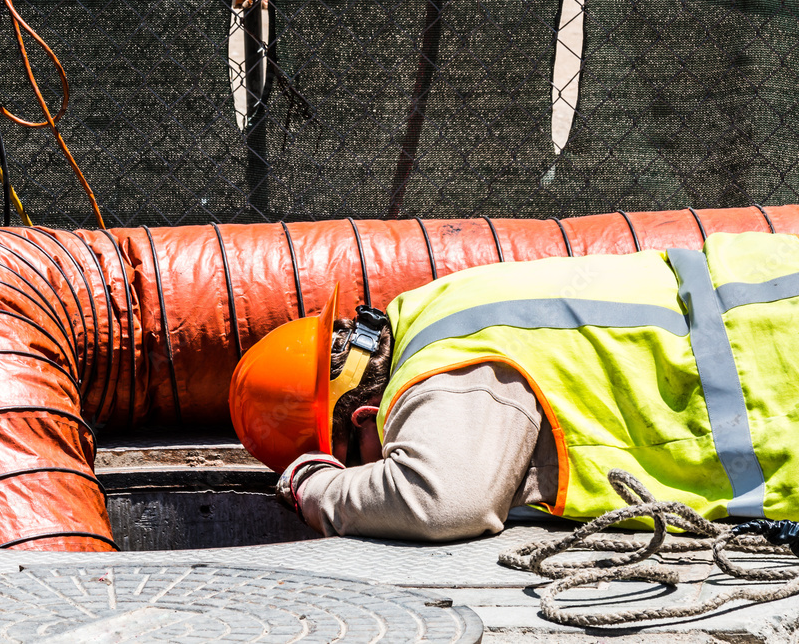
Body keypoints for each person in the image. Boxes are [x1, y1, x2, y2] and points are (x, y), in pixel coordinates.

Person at [228, 231, 799, 541]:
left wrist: (317, 489)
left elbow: (443, 502)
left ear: (362, 421)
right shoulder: (438, 309)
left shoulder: (440, 374)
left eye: (355, 464)